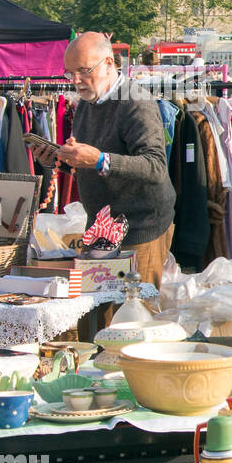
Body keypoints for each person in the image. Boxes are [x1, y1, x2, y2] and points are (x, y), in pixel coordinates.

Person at [30, 32, 176, 287]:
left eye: (84, 70)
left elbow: (155, 167)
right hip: (102, 225)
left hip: (139, 226)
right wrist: (59, 160)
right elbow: (91, 164)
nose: (76, 80)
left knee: (132, 315)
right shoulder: (89, 101)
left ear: (109, 63)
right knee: (94, 312)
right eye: (70, 73)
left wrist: (99, 159)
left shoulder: (136, 102)